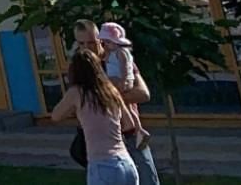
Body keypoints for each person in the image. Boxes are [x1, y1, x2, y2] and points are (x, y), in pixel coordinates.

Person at [75, 20, 160, 185]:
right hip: (102, 142)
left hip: (130, 133)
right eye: (81, 43)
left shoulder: (118, 57)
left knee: (147, 179)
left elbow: (143, 93)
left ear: (101, 40)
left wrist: (103, 97)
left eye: (92, 42)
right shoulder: (81, 69)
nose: (87, 47)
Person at [51, 49, 138, 185]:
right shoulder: (111, 91)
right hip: (126, 162)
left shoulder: (77, 93)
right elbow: (129, 124)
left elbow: (56, 116)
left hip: (102, 164)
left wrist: (78, 114)